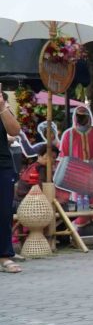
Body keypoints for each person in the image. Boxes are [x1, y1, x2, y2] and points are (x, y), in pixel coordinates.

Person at [2, 92, 21, 272]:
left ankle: (5, 256)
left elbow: (15, 131)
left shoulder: (4, 110)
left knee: (4, 211)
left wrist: (2, 107)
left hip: (2, 165)